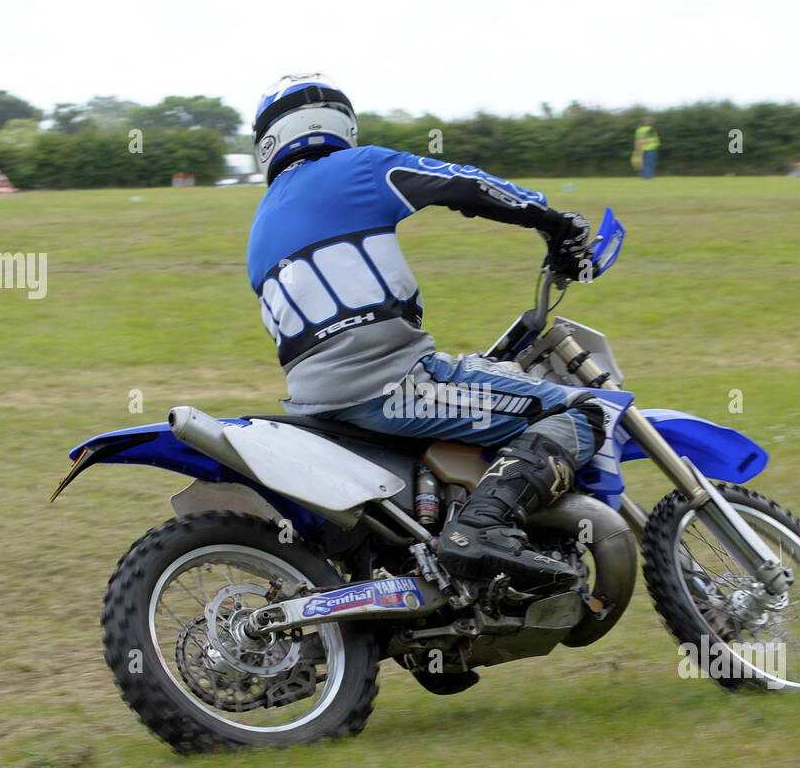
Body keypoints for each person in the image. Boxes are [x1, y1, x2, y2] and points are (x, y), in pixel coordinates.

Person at [246, 74, 605, 589]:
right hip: (394, 387)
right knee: (579, 411)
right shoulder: (359, 168)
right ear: (340, 122)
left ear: (268, 141)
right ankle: (482, 528)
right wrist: (554, 222)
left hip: (318, 402)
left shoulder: (260, 226)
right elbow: (465, 184)